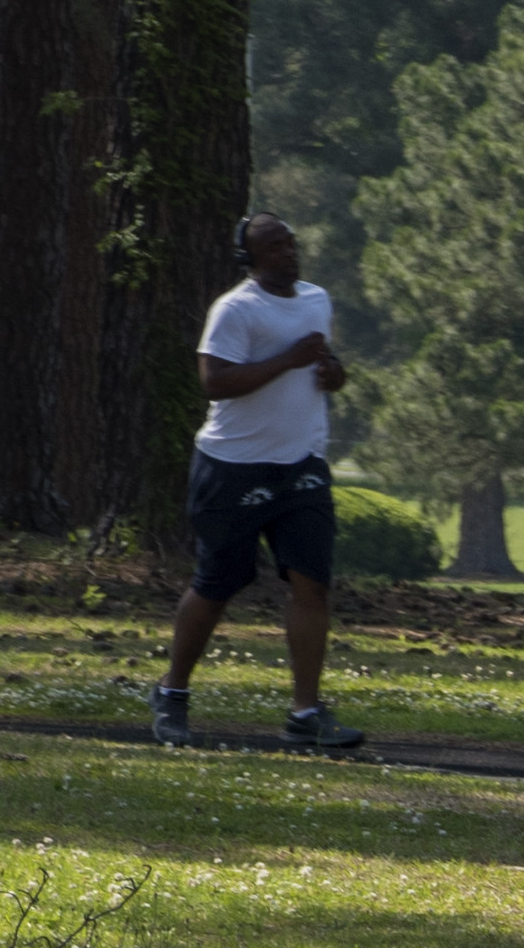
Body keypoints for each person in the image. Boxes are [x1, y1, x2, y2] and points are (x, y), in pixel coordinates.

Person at [150, 215, 364, 755]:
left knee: (311, 584)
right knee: (218, 583)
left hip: (302, 464)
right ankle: (172, 693)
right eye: (274, 247)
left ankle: (306, 713)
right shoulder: (236, 309)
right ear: (250, 259)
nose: (288, 253)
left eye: (291, 243)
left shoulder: (316, 299)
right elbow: (215, 383)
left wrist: (330, 373)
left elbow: (321, 367)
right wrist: (288, 359)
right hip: (233, 466)